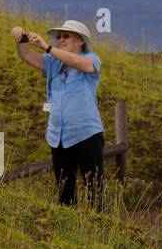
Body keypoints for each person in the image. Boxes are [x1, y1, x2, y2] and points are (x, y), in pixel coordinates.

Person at [11, 20, 104, 209]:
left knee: (95, 189)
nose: (61, 39)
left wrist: (47, 46)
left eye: (66, 36)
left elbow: (79, 63)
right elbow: (26, 55)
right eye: (59, 36)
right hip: (58, 136)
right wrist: (21, 39)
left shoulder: (91, 58)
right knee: (64, 192)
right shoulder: (53, 62)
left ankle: (101, 231)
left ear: (80, 41)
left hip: (86, 133)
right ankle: (68, 231)